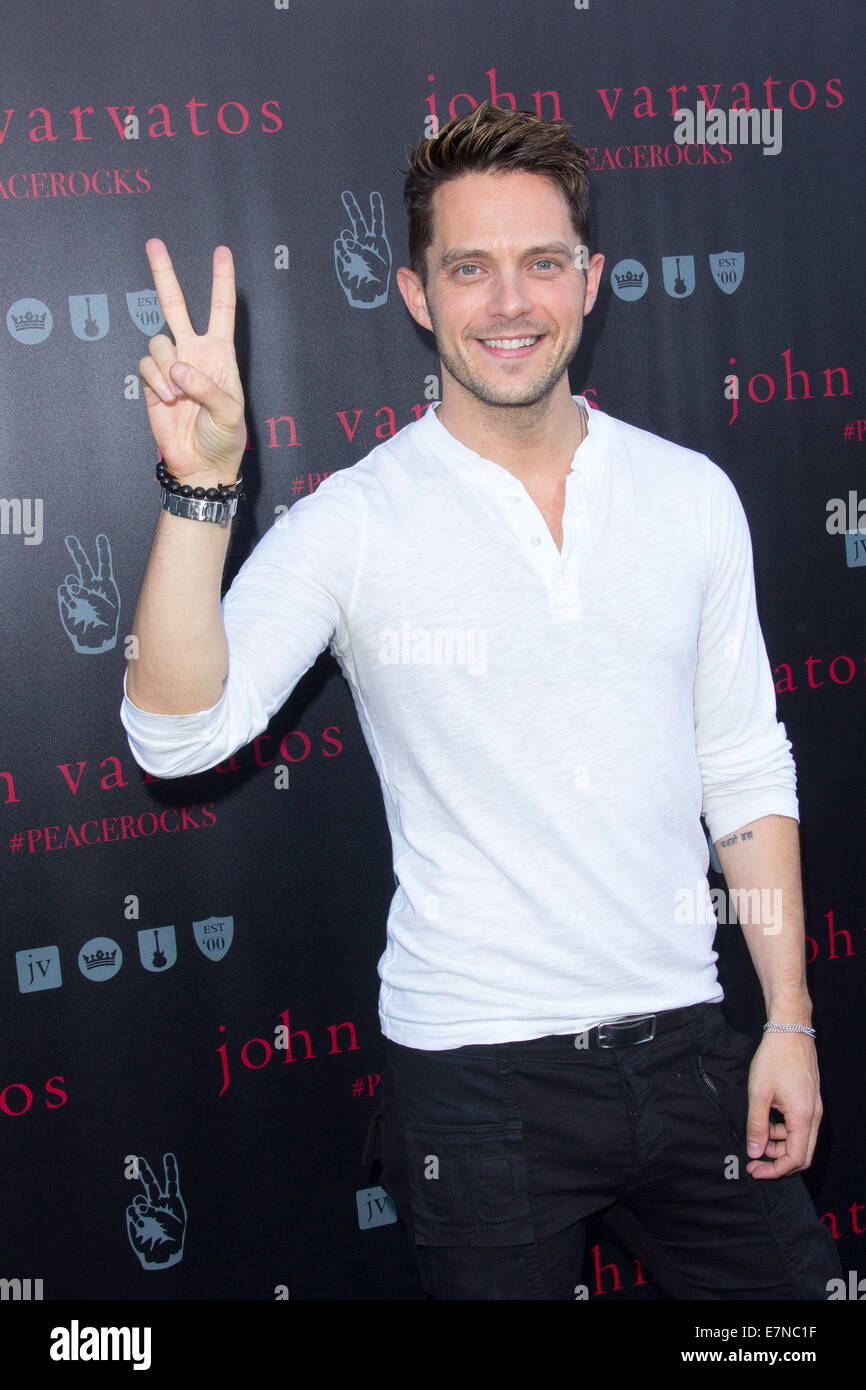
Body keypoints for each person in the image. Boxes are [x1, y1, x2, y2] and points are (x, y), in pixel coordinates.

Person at [122, 102, 840, 1300]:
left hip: (688, 1050)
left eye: (540, 262)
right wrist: (201, 490)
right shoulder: (353, 522)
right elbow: (174, 729)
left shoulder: (689, 496)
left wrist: (789, 1018)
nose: (509, 302)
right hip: (475, 1076)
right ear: (415, 293)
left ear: (589, 280)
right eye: (469, 268)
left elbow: (744, 773)